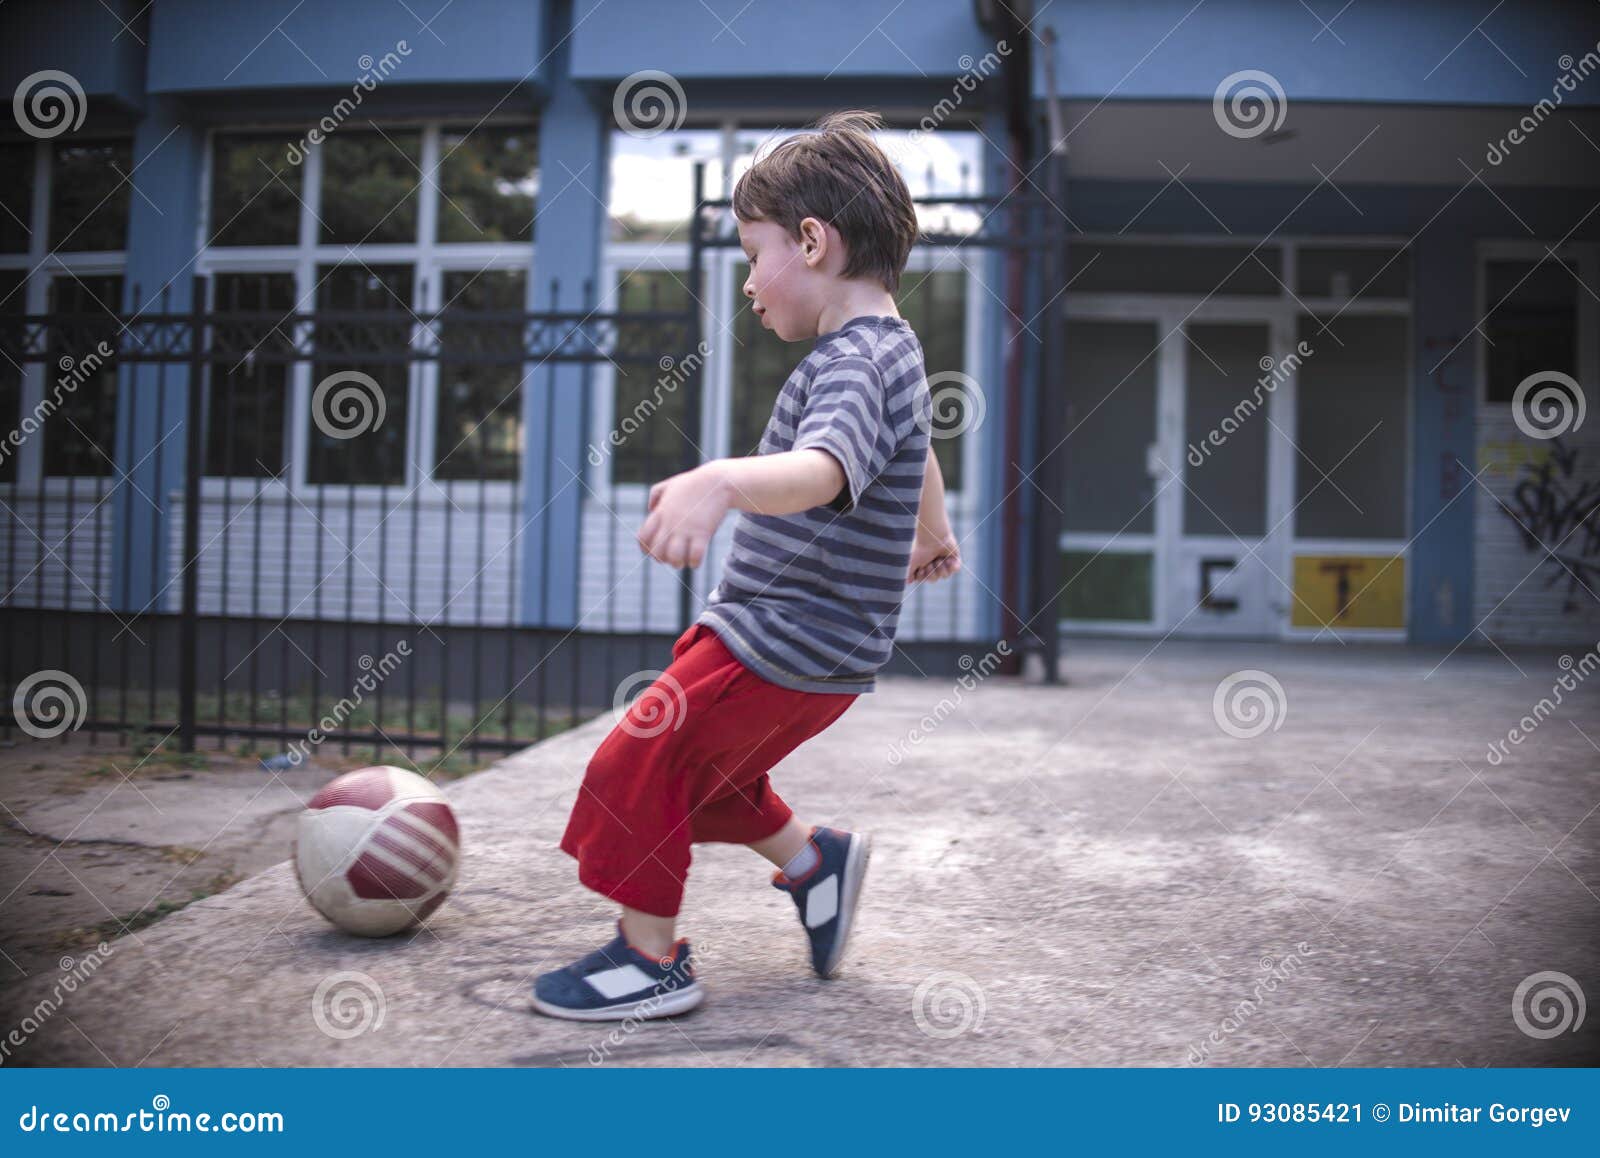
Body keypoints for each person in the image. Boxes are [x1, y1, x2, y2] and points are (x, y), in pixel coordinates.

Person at [533, 109, 962, 1021]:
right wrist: (933, 529)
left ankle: (649, 963)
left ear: (813, 242)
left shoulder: (852, 361)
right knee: (709, 785)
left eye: (752, 251)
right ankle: (817, 864)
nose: (747, 281)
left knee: (638, 758)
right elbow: (914, 446)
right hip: (819, 653)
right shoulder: (895, 352)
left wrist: (721, 482)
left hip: (781, 635)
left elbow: (824, 472)